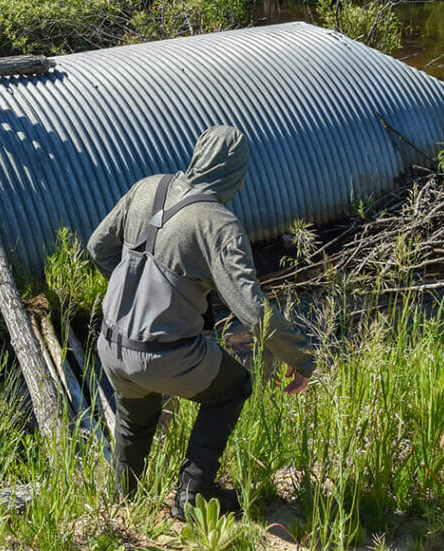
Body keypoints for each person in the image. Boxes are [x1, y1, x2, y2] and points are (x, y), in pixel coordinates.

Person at [88, 125, 315, 521]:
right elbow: (253, 311)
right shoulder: (217, 223)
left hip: (111, 345)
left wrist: (135, 299)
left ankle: (121, 507)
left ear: (197, 157)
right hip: (165, 356)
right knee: (233, 387)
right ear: (236, 173)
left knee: (134, 422)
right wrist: (302, 359)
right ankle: (193, 496)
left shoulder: (147, 188)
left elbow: (97, 247)